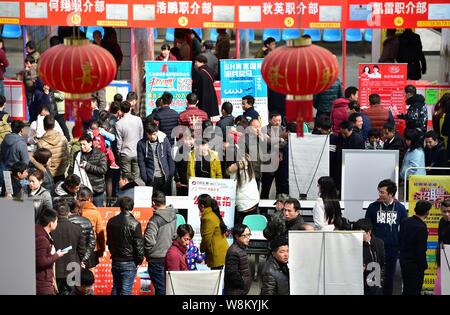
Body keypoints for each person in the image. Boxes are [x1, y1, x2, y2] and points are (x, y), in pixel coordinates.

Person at [365, 179, 408, 295]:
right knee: (373, 276)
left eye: (382, 192)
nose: (379, 194)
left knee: (389, 277)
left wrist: (400, 245)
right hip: (375, 247)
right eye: (379, 191)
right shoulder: (372, 207)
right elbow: (367, 226)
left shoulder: (400, 208)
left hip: (392, 248)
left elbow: (404, 229)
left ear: (390, 194)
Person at [107, 196, 144, 295]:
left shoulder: (111, 221)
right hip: (129, 261)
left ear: (120, 206)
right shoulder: (135, 224)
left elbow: (109, 241)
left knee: (116, 287)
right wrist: (140, 259)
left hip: (115, 260)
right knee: (126, 290)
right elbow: (139, 245)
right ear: (132, 207)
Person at [144, 190, 177, 295]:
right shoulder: (174, 216)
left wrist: (148, 253)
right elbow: (174, 235)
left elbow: (149, 241)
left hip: (156, 259)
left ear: (153, 203)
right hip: (169, 257)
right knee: (167, 288)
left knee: (160, 289)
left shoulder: (154, 220)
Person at [51, 200, 86, 295]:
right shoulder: (77, 228)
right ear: (68, 213)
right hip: (73, 267)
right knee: (73, 292)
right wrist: (82, 260)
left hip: (55, 267)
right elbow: (82, 250)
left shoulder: (50, 229)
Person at [399, 200, 432, 295]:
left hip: (404, 260)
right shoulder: (422, 227)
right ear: (427, 212)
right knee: (415, 289)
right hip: (416, 265)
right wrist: (424, 265)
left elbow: (400, 238)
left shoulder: (405, 221)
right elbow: (421, 250)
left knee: (406, 287)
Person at [137, 122, 175, 195]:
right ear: (146, 133)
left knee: (166, 199)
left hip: (165, 176)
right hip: (151, 177)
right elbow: (141, 162)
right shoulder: (141, 143)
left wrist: (171, 173)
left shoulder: (164, 140)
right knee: (152, 199)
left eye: (154, 134)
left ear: (157, 132)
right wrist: (145, 176)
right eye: (150, 134)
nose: (152, 136)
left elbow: (170, 156)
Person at [35, 208, 66, 295]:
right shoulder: (42, 239)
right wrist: (56, 255)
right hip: (42, 283)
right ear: (51, 223)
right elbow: (41, 262)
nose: (57, 224)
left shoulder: (39, 234)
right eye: (56, 221)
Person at [353, 219, 385, 295]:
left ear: (369, 232)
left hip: (374, 278)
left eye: (361, 233)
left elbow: (383, 262)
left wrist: (381, 280)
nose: (358, 236)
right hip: (359, 279)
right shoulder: (355, 244)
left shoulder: (379, 243)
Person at [75, 134, 107, 206]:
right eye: (80, 144)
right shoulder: (77, 155)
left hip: (97, 190)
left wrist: (88, 166)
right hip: (83, 191)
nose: (82, 147)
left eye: (84, 144)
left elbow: (103, 169)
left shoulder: (100, 154)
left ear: (90, 143)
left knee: (98, 211)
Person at [198, 194, 229, 269]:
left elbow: (206, 238)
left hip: (216, 253)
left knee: (216, 277)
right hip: (220, 251)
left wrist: (201, 249)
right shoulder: (212, 213)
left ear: (202, 206)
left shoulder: (207, 218)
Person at [227, 150, 259, 222]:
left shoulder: (238, 171)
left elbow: (229, 170)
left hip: (245, 205)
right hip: (251, 203)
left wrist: (233, 168)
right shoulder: (249, 170)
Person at [115, 101, 144, 182]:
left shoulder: (118, 123)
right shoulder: (138, 119)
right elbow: (141, 135)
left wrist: (118, 152)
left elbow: (119, 141)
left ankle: (127, 194)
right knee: (136, 177)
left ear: (121, 109)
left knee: (126, 178)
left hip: (125, 152)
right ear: (130, 108)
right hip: (137, 151)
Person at [78, 187, 106, 269]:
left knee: (75, 278)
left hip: (76, 248)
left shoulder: (74, 210)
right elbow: (100, 233)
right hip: (91, 249)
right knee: (90, 277)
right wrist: (102, 250)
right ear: (90, 198)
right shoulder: (95, 212)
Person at [36, 115, 69, 184]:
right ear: (54, 125)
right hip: (61, 171)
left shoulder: (41, 143)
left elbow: (40, 162)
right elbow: (67, 155)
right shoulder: (63, 138)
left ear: (44, 126)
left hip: (48, 174)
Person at [65, 196, 95, 269]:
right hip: (84, 260)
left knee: (70, 280)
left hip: (68, 260)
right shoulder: (86, 221)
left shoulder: (64, 222)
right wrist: (84, 259)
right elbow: (92, 242)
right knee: (82, 279)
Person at [224, 224, 252, 295]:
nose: (248, 238)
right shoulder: (233, 251)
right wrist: (242, 284)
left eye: (249, 234)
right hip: (235, 291)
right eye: (244, 235)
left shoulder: (241, 247)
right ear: (236, 236)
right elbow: (232, 273)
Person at [435, 199, 450, 295]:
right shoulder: (441, 221)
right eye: (444, 211)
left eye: (449, 211)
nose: (447, 214)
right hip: (443, 255)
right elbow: (440, 239)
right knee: (442, 285)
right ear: (441, 210)